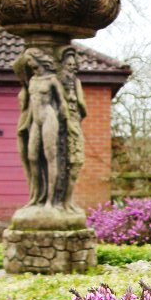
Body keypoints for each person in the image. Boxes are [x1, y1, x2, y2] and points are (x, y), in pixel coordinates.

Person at [14, 48, 70, 207]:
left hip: (48, 117)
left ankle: (51, 200)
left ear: (37, 59)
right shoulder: (31, 81)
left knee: (50, 157)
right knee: (32, 156)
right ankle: (36, 196)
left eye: (29, 59)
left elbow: (62, 103)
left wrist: (65, 124)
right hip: (35, 120)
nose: (28, 63)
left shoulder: (52, 79)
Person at [58, 46, 87, 212]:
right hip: (59, 130)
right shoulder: (56, 82)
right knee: (59, 166)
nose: (72, 68)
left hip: (74, 127)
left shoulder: (76, 83)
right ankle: (58, 203)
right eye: (69, 65)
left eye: (74, 65)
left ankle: (67, 201)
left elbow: (81, 106)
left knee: (76, 164)